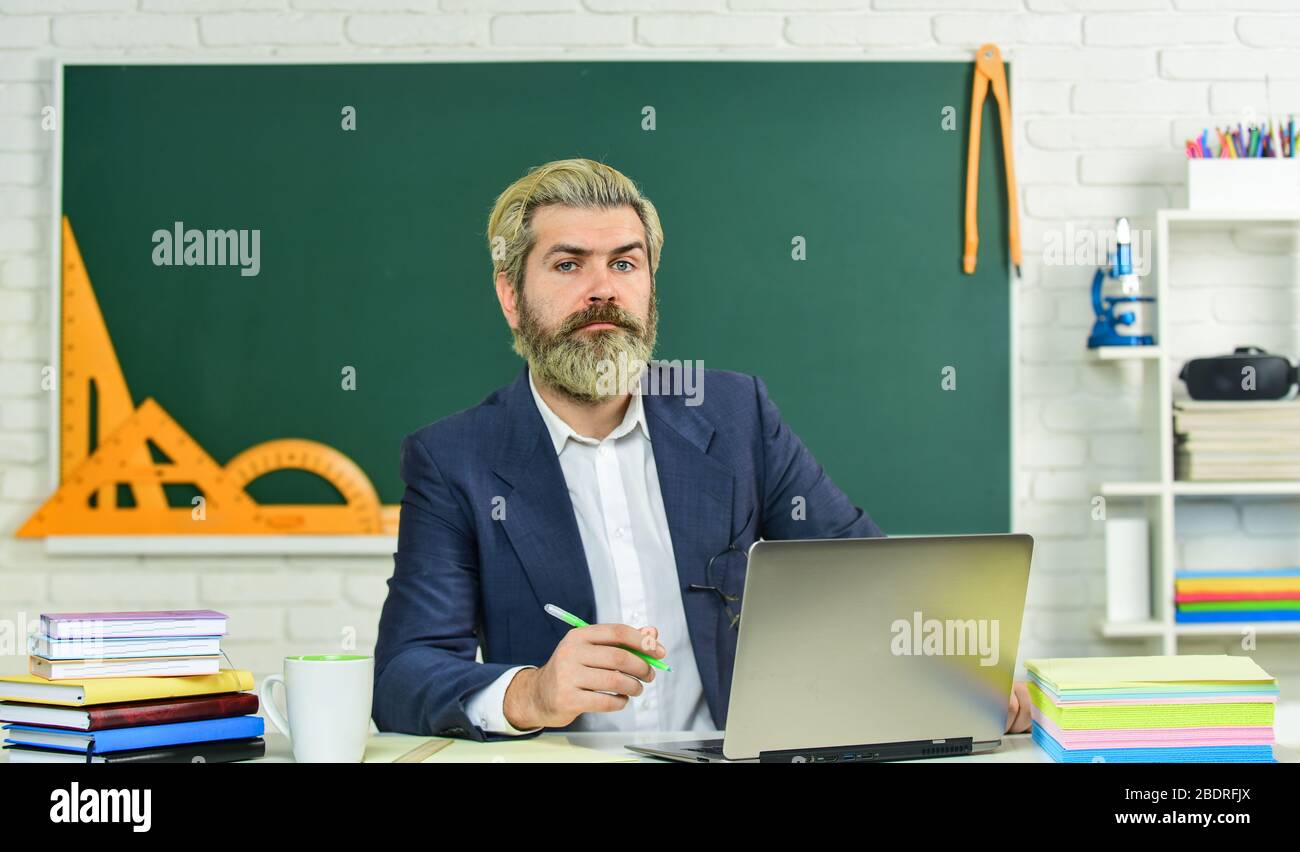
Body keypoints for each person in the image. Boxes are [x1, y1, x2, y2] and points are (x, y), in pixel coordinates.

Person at [372, 158, 1033, 740]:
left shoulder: (736, 414)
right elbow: (404, 675)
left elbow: (863, 577)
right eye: (569, 264)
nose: (602, 288)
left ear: (650, 285)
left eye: (625, 263)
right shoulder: (454, 458)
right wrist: (530, 693)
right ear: (511, 297)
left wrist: (956, 670)